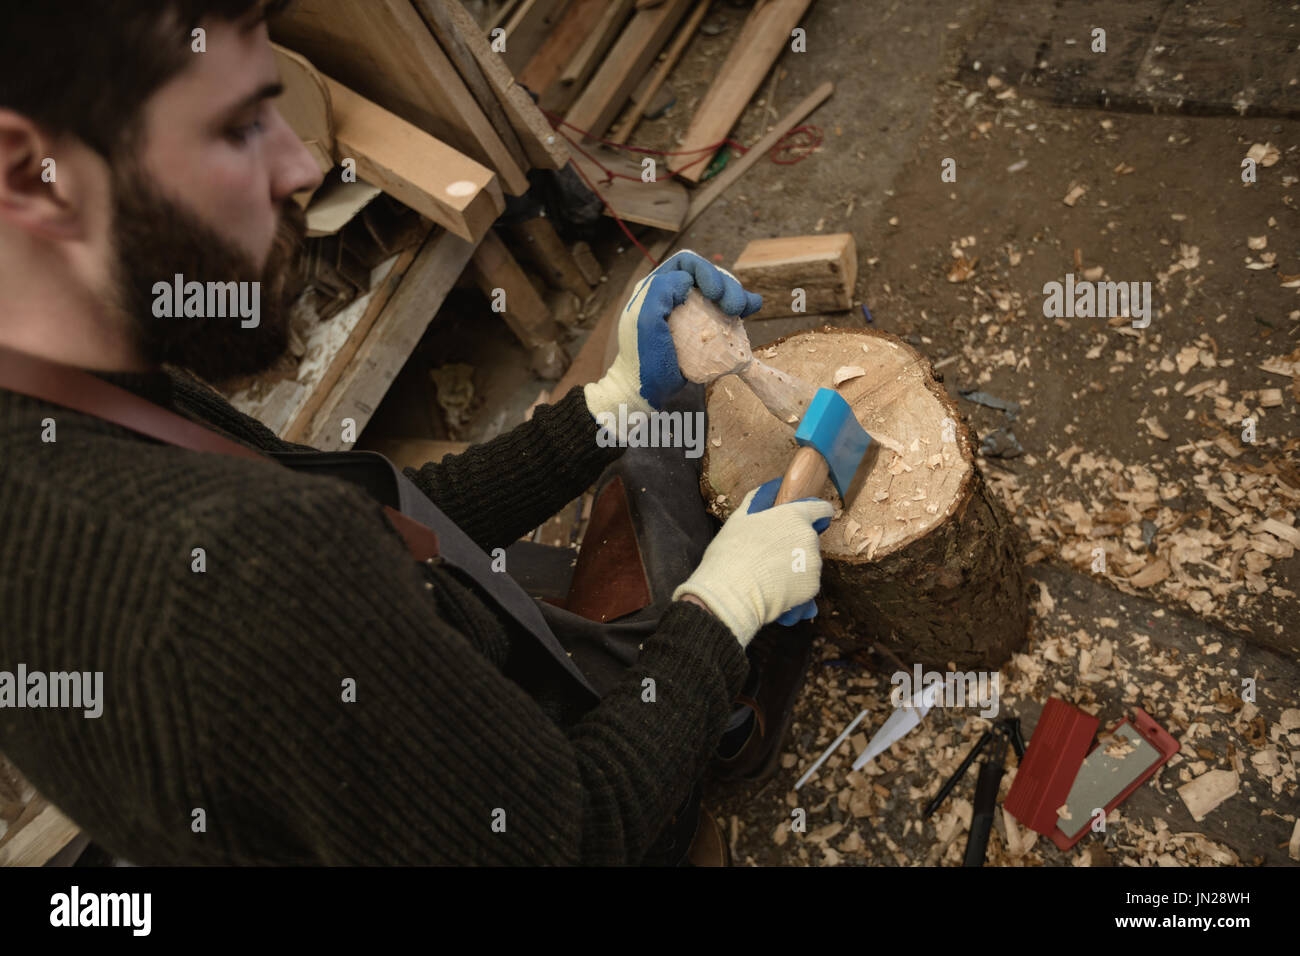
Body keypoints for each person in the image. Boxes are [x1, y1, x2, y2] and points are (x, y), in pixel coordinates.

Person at [0, 0, 833, 865]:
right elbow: (573, 842)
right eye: (241, 126)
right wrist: (718, 619)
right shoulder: (235, 579)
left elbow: (378, 517)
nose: (299, 165)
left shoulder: (79, 393)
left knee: (637, 489)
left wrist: (612, 403)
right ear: (32, 174)